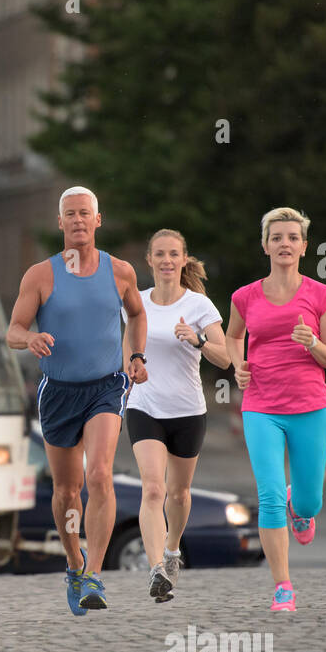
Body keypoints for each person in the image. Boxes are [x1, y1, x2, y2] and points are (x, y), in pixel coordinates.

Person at [7, 186, 148, 615]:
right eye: (70, 214)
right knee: (68, 491)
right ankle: (74, 563)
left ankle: (95, 576)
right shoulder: (40, 275)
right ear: (61, 223)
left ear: (97, 220)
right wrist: (30, 337)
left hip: (106, 386)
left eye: (85, 213)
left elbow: (137, 313)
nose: (78, 221)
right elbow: (12, 330)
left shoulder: (120, 271)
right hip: (59, 392)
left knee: (100, 475)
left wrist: (136, 355)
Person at [226, 208, 326, 612]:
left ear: (304, 247)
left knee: (309, 501)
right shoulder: (245, 296)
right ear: (265, 245)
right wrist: (237, 364)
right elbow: (232, 336)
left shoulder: (322, 296)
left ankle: (302, 506)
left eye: (293, 237)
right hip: (261, 406)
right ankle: (283, 586)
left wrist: (311, 342)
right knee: (270, 495)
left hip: (311, 405)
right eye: (277, 237)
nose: (285, 244)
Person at [125, 229, 230, 602]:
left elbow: (226, 357)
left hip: (187, 409)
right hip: (145, 405)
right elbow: (126, 343)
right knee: (153, 488)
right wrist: (131, 367)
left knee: (179, 493)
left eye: (174, 254)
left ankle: (172, 551)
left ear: (183, 259)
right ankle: (156, 568)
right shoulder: (135, 302)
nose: (167, 260)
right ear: (149, 260)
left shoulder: (200, 306)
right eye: (160, 254)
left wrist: (198, 340)